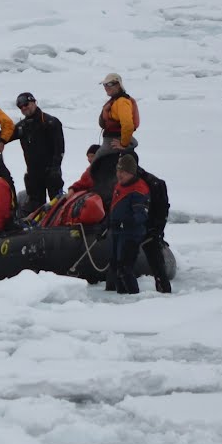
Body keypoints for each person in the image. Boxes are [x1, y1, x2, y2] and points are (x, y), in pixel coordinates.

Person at [123, 150, 172, 294]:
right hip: (133, 229)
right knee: (125, 265)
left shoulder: (154, 183)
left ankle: (164, 291)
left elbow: (161, 209)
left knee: (156, 263)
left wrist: (156, 230)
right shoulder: (124, 182)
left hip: (149, 229)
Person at [6, 91, 65, 212]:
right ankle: (36, 229)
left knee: (57, 205)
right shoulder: (22, 126)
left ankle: (57, 227)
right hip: (33, 173)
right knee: (35, 207)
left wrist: (55, 167)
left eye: (26, 104)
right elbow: (5, 137)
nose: (24, 108)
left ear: (34, 102)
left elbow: (60, 148)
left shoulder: (51, 122)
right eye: (20, 107)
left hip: (51, 171)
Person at [105, 154, 150, 294]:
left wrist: (127, 222)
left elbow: (141, 215)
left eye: (123, 172)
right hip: (117, 231)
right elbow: (114, 207)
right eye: (118, 171)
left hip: (130, 234)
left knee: (125, 267)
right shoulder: (119, 185)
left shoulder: (138, 189)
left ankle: (133, 297)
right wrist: (108, 223)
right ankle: (119, 295)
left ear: (131, 173)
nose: (119, 175)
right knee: (115, 265)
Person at [92, 72, 139, 168]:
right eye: (105, 85)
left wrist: (124, 144)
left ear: (118, 85)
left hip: (113, 142)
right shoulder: (115, 101)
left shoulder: (122, 102)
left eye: (109, 84)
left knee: (94, 167)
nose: (106, 87)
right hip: (112, 141)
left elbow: (128, 124)